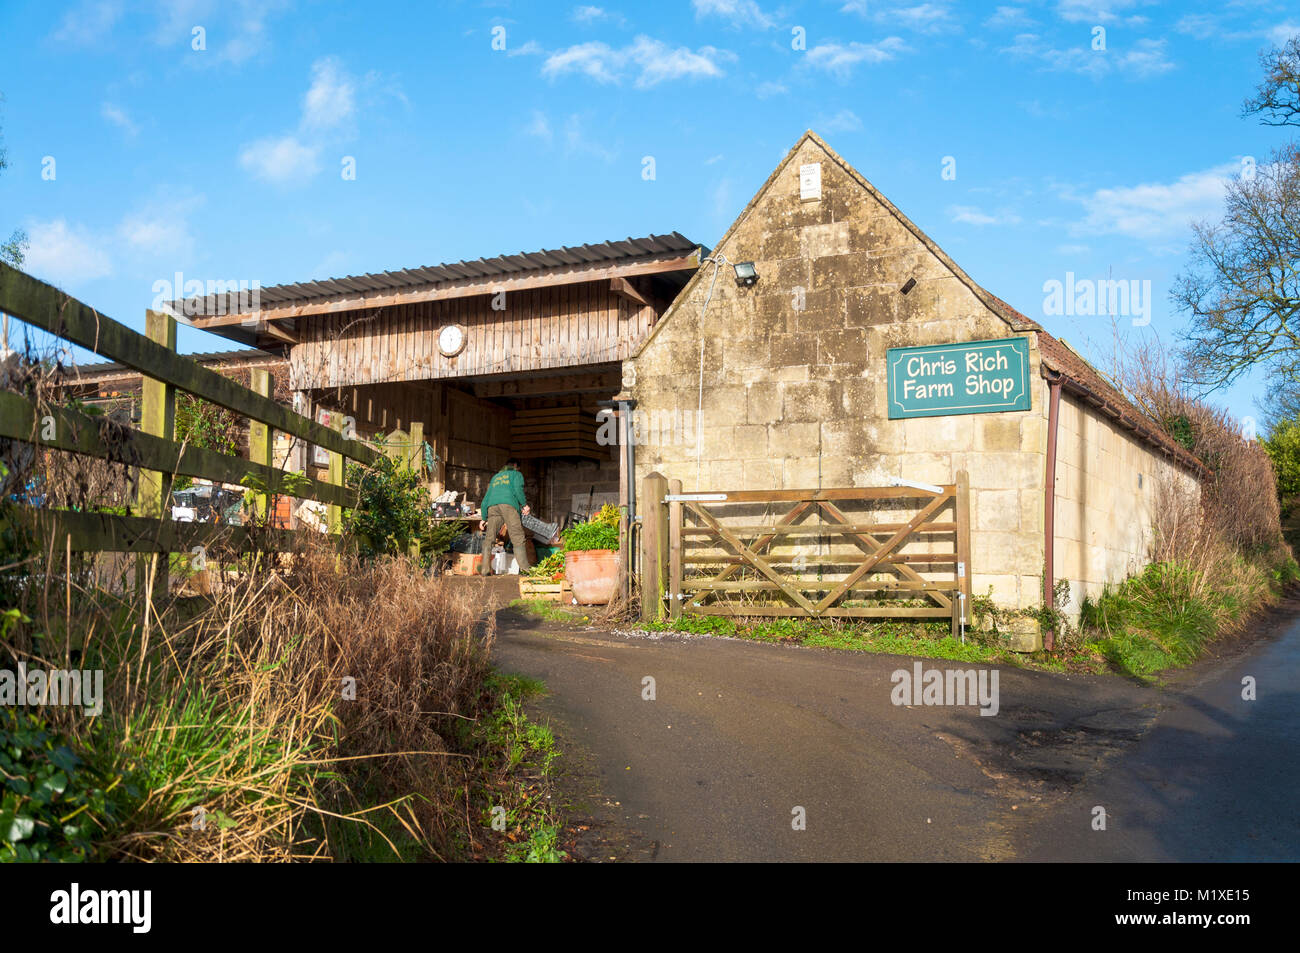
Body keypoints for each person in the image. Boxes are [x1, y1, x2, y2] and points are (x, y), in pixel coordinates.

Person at [477, 460, 533, 574]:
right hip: (508, 505)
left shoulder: (496, 477)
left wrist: (483, 517)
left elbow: (486, 498)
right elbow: (518, 489)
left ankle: (484, 569)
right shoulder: (516, 474)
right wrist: (524, 504)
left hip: (492, 506)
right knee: (517, 536)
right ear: (515, 466)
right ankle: (525, 569)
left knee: (489, 538)